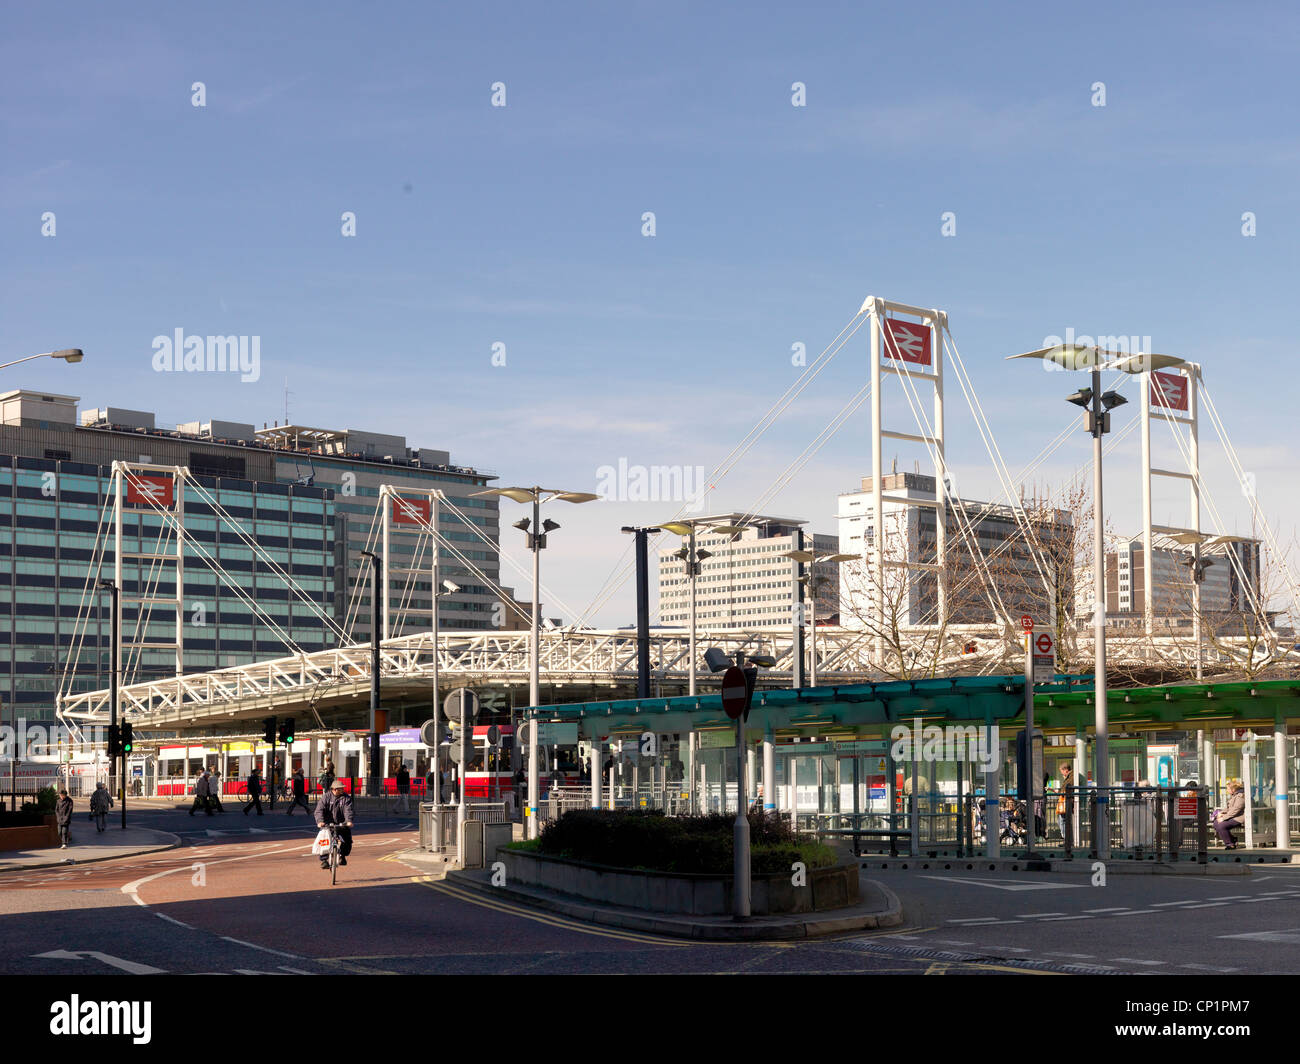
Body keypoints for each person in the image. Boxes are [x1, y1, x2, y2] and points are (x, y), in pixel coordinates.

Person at [314, 778, 355, 870]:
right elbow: (319, 810)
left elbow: (348, 810)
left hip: (342, 824)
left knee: (347, 840)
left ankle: (342, 856)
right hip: (328, 824)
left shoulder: (346, 798)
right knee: (324, 840)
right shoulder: (326, 797)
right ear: (334, 789)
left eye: (343, 788)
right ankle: (324, 860)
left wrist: (349, 821)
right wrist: (320, 821)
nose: (343, 790)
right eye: (341, 788)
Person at [1212, 778, 1246, 849]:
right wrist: (1221, 813)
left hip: (1239, 818)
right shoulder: (1235, 795)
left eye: (1228, 789)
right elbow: (1229, 808)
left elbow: (1235, 810)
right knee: (1215, 823)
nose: (1227, 791)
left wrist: (1223, 818)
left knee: (1221, 825)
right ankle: (1232, 839)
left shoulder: (1240, 796)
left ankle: (1230, 844)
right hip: (1233, 816)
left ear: (1233, 789)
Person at [1056, 763, 1075, 846]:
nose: (1062, 774)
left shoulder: (1070, 778)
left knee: (1062, 821)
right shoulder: (1070, 777)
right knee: (1062, 821)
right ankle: (1067, 840)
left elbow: (1065, 790)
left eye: (1062, 772)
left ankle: (1067, 840)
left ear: (1066, 770)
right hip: (1067, 802)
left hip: (1067, 803)